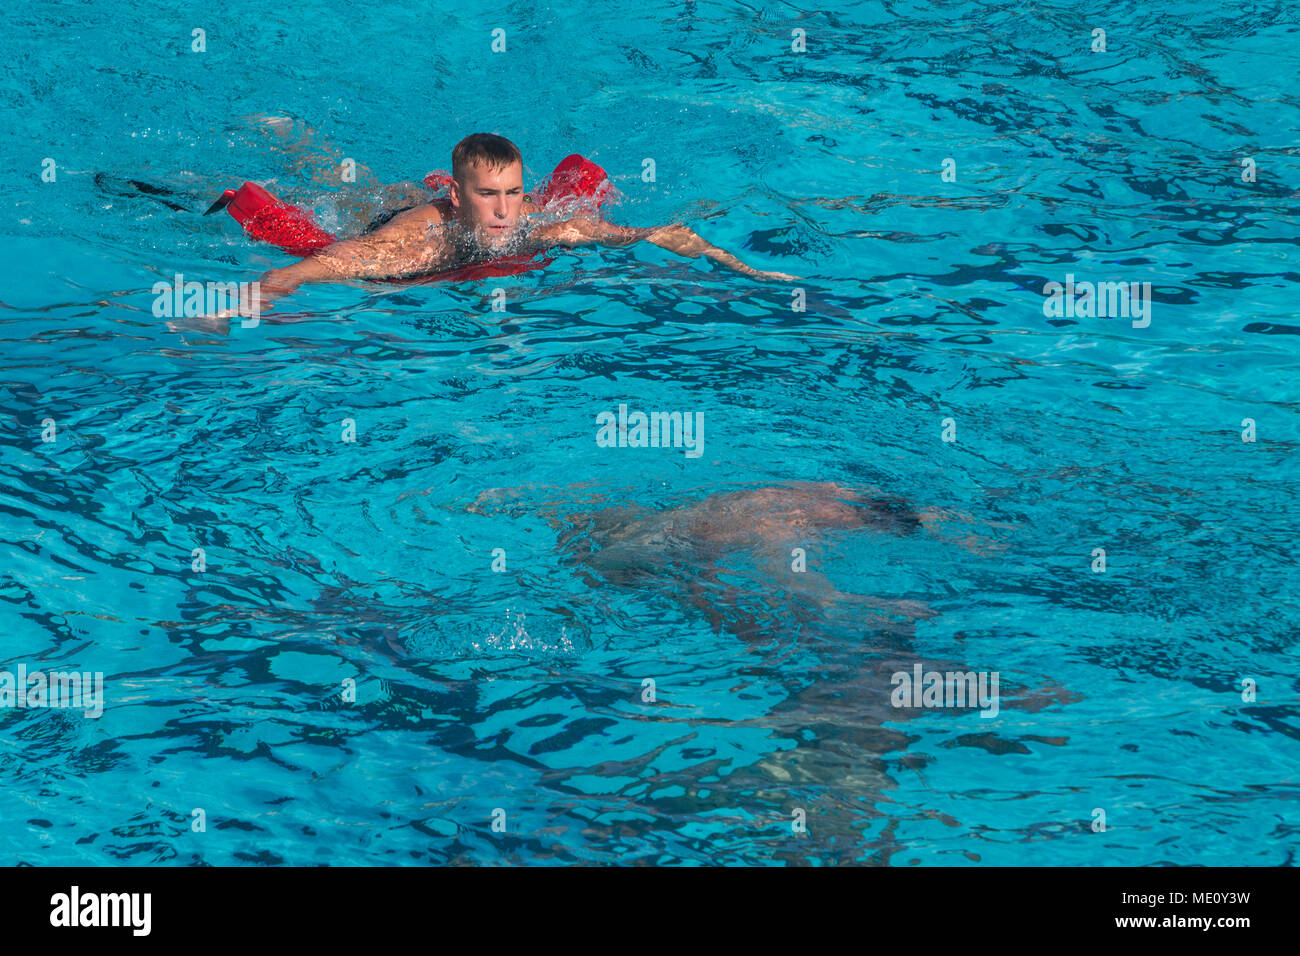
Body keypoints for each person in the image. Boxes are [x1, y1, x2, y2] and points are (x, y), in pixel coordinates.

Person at [186, 132, 797, 329]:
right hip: (398, 222)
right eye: (488, 196)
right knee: (339, 202)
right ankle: (296, 141)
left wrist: (744, 268)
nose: (505, 212)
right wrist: (231, 310)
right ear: (458, 196)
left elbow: (659, 233)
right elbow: (301, 271)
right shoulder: (410, 246)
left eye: (514, 194)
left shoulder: (540, 225)